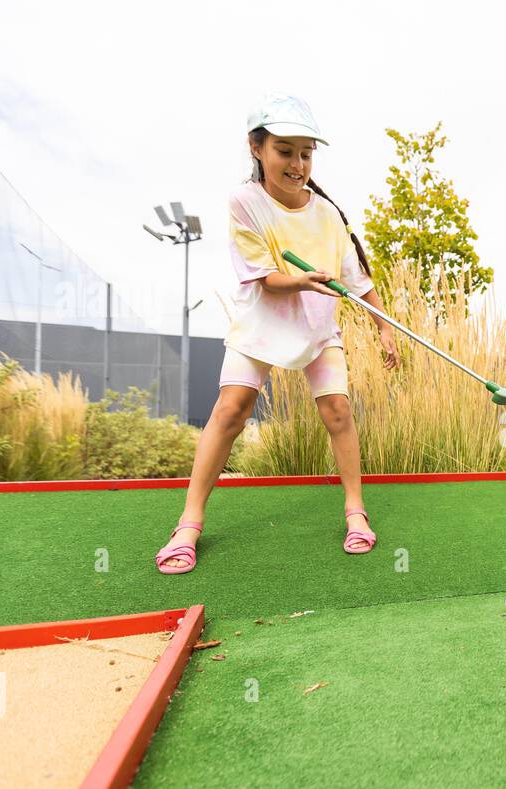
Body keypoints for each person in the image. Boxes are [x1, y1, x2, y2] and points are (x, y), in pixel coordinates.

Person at [155, 92, 399, 573]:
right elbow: (264, 277)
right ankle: (188, 524)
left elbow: (357, 278)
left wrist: (382, 327)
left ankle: (356, 513)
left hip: (315, 327)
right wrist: (303, 280)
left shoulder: (328, 215)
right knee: (231, 409)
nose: (297, 163)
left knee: (338, 411)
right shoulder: (245, 201)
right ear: (257, 147)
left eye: (306, 153)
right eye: (285, 151)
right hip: (262, 321)